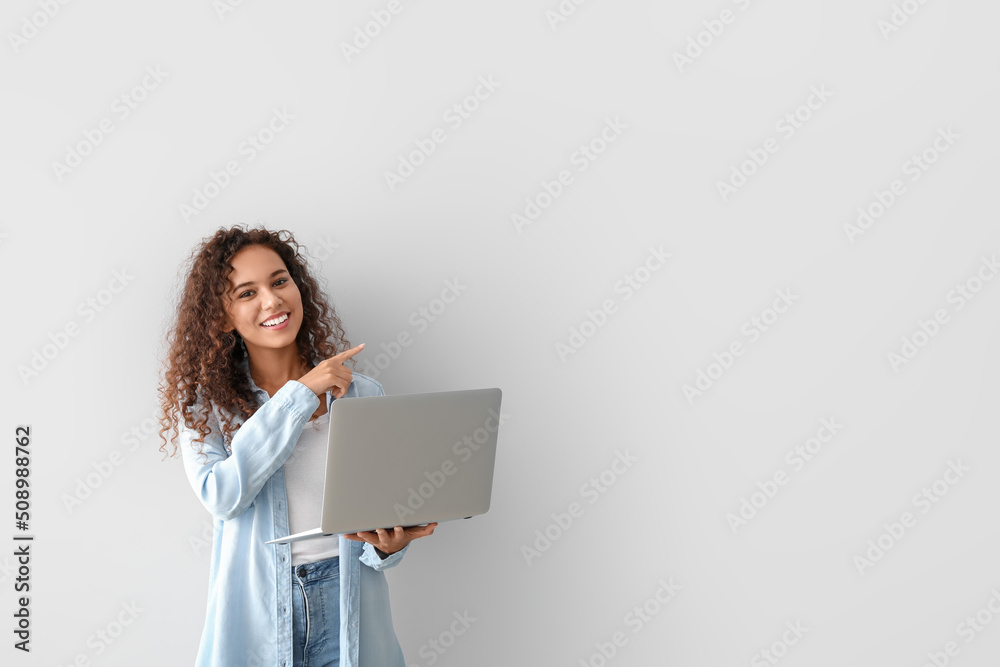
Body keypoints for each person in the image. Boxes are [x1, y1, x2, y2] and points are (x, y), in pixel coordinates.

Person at [156, 225, 436, 667]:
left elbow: (377, 528)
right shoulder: (205, 407)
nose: (271, 301)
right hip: (259, 614)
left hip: (351, 604)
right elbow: (222, 496)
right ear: (222, 316)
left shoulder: (362, 393)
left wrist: (388, 546)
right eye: (246, 293)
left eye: (279, 281)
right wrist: (300, 395)